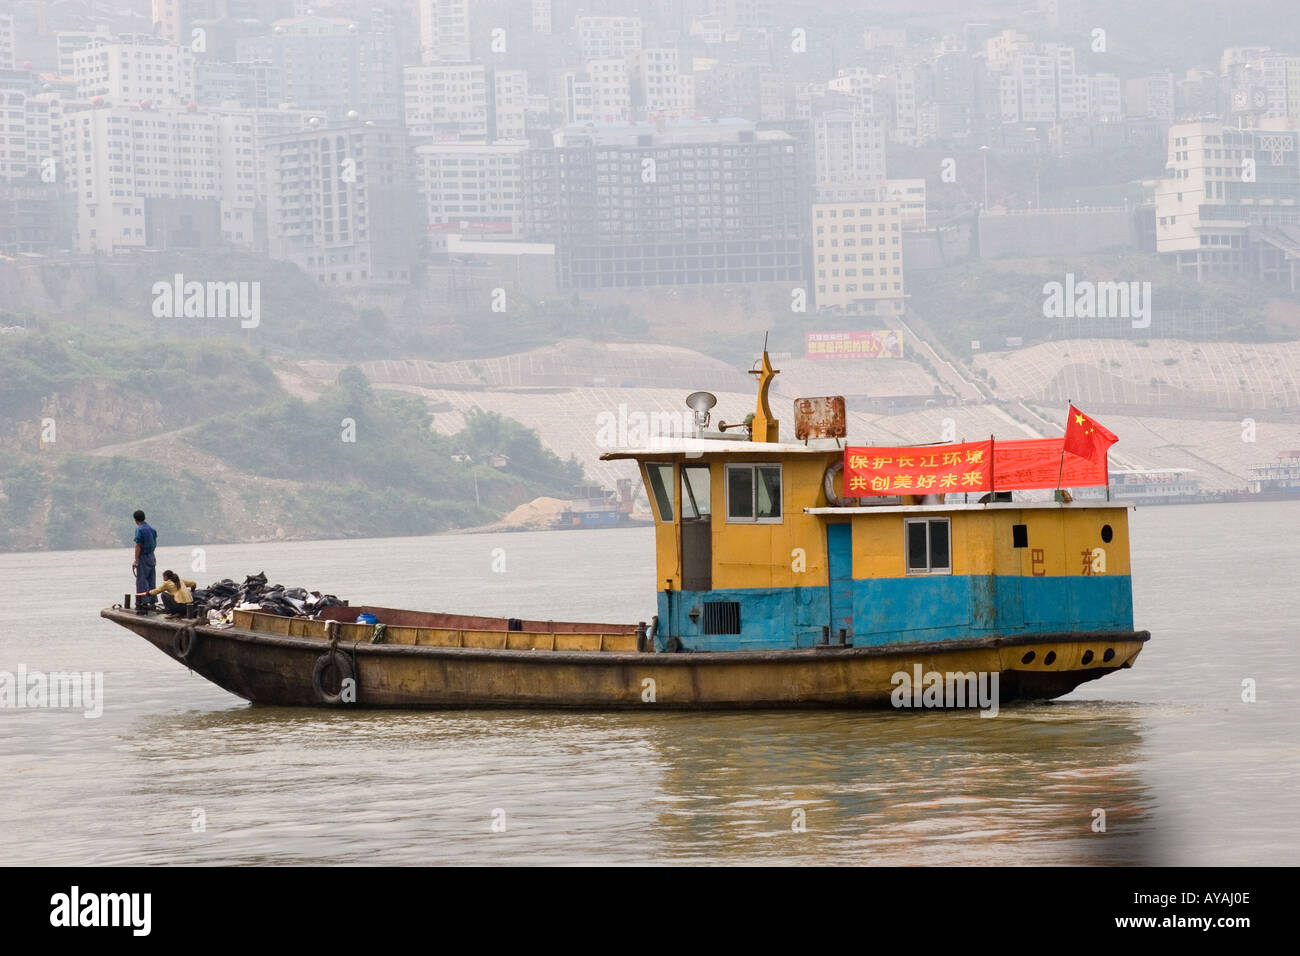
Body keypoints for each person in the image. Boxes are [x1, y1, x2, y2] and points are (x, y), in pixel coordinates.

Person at [131, 510, 158, 610]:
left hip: (143, 557)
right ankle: (152, 601)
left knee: (142, 580)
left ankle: (143, 602)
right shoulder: (152, 529)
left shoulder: (139, 529)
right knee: (151, 579)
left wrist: (136, 560)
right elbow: (154, 544)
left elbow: (138, 545)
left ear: (135, 520)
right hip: (151, 556)